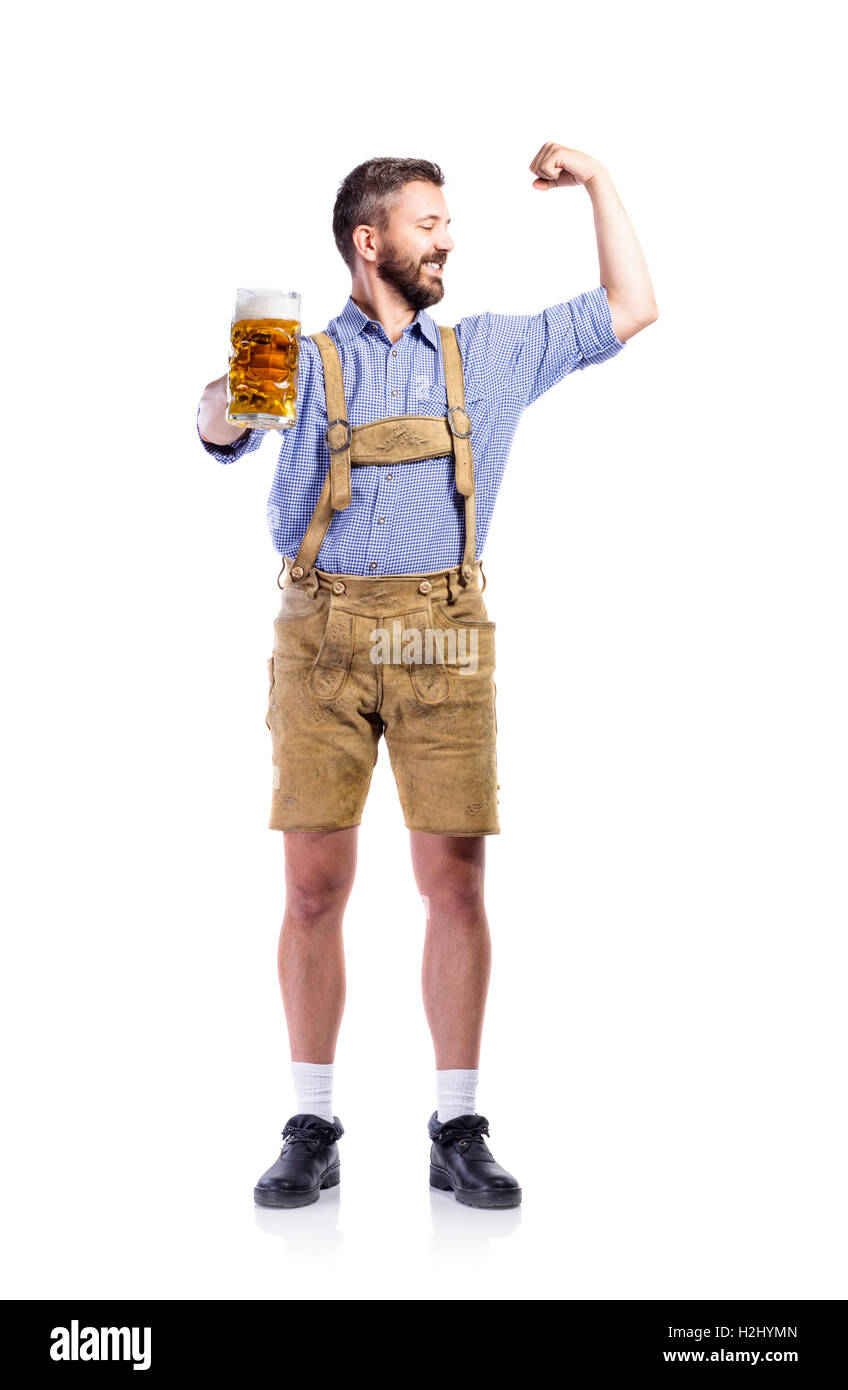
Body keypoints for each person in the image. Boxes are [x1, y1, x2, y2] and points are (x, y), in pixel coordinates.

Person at [197, 145, 658, 1210]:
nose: (446, 237)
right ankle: (309, 1120)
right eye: (425, 222)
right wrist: (229, 393)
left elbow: (634, 303)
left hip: (442, 631)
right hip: (318, 634)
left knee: (453, 881)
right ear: (370, 243)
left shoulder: (490, 353)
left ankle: (457, 1123)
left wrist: (594, 180)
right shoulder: (300, 359)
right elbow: (217, 429)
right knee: (313, 887)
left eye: (445, 222)